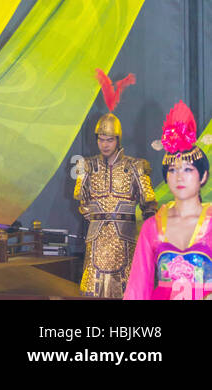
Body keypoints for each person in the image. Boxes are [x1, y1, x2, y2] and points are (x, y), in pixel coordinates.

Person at [74, 68, 158, 298]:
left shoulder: (135, 166)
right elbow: (82, 202)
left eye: (109, 139)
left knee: (128, 290)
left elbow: (149, 206)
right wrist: (96, 217)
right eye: (101, 139)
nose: (105, 144)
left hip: (126, 239)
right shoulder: (87, 166)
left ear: (118, 139)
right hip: (96, 239)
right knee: (93, 291)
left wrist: (146, 237)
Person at [124, 100, 212, 300]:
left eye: (188, 169)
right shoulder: (152, 227)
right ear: (166, 177)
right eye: (172, 170)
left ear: (203, 176)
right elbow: (137, 288)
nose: (179, 177)